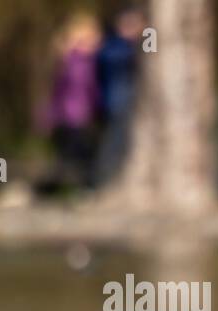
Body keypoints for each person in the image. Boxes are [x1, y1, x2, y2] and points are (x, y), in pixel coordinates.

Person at [38, 13, 103, 194]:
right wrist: (50, 115)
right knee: (77, 154)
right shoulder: (74, 62)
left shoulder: (86, 61)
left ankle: (51, 189)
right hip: (72, 115)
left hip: (79, 114)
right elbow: (64, 92)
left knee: (70, 155)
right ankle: (83, 188)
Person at [94, 7, 146, 186]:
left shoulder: (127, 47)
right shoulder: (113, 47)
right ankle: (105, 179)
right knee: (113, 143)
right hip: (115, 103)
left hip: (125, 102)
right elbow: (110, 59)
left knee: (122, 142)